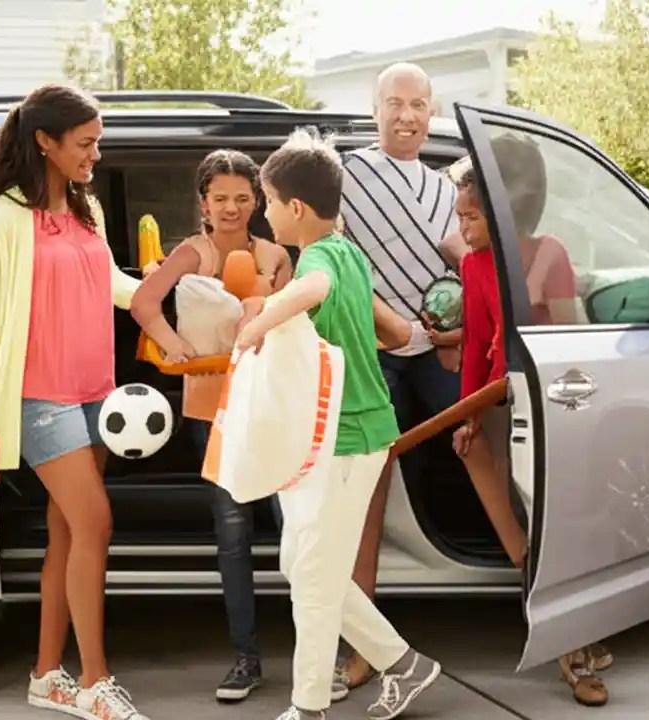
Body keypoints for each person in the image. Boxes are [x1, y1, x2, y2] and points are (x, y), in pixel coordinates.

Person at [234, 127, 441, 720]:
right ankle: (404, 664)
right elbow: (395, 333)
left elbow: (313, 289)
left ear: (296, 208)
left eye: (269, 201)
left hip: (345, 441)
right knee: (301, 567)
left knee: (315, 578)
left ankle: (308, 708)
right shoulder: (351, 253)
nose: (264, 213)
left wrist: (256, 326)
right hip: (341, 436)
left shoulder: (321, 261)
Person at [0, 84, 148, 720]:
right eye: (86, 143)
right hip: (39, 397)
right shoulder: (2, 219)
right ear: (45, 141)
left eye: (98, 142)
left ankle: (46, 675)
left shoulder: (84, 206)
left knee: (68, 532)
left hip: (95, 390)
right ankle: (96, 682)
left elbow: (109, 281)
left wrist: (165, 287)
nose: (96, 154)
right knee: (95, 523)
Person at [449, 149, 612, 707]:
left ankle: (573, 647)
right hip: (499, 400)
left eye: (471, 217)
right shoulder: (473, 266)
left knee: (556, 523)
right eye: (459, 216)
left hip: (549, 404)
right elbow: (476, 343)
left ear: (502, 211)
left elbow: (569, 339)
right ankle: (558, 619)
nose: (462, 228)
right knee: (498, 493)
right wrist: (468, 414)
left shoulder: (549, 255)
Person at [132, 149, 292, 702]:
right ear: (203, 202)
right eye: (220, 198)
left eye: (242, 198)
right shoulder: (190, 253)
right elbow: (144, 303)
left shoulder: (275, 256)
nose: (231, 208)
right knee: (232, 533)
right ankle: (246, 659)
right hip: (212, 411)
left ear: (257, 201)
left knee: (297, 530)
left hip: (271, 406)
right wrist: (173, 345)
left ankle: (323, 650)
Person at [335, 61, 469, 690]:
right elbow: (334, 261)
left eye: (419, 104)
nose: (407, 116)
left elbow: (464, 260)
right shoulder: (347, 174)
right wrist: (395, 328)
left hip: (438, 348)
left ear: (430, 111)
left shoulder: (444, 188)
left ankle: (552, 607)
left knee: (488, 446)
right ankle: (365, 643)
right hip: (372, 351)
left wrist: (460, 329)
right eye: (395, 103)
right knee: (368, 490)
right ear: (375, 109)